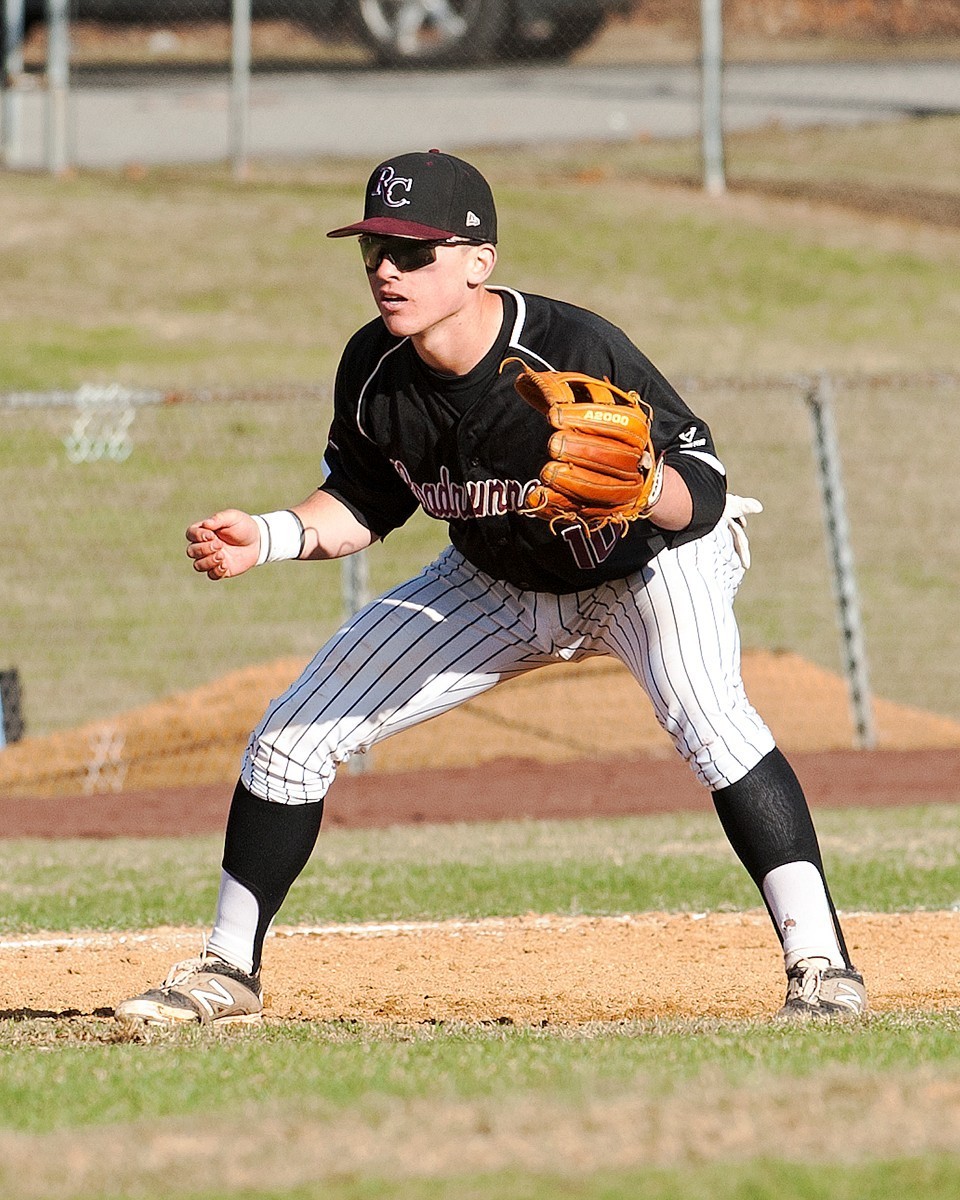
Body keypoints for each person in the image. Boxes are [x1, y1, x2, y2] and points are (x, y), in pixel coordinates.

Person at [115, 149, 866, 1027]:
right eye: (373, 251)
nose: (387, 270)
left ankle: (822, 967)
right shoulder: (373, 372)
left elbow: (701, 490)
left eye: (413, 251)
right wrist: (271, 537)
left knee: (712, 723)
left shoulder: (572, 346)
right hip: (498, 581)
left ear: (479, 262)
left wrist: (647, 485)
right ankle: (225, 971)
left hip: (645, 568)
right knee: (287, 740)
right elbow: (362, 501)